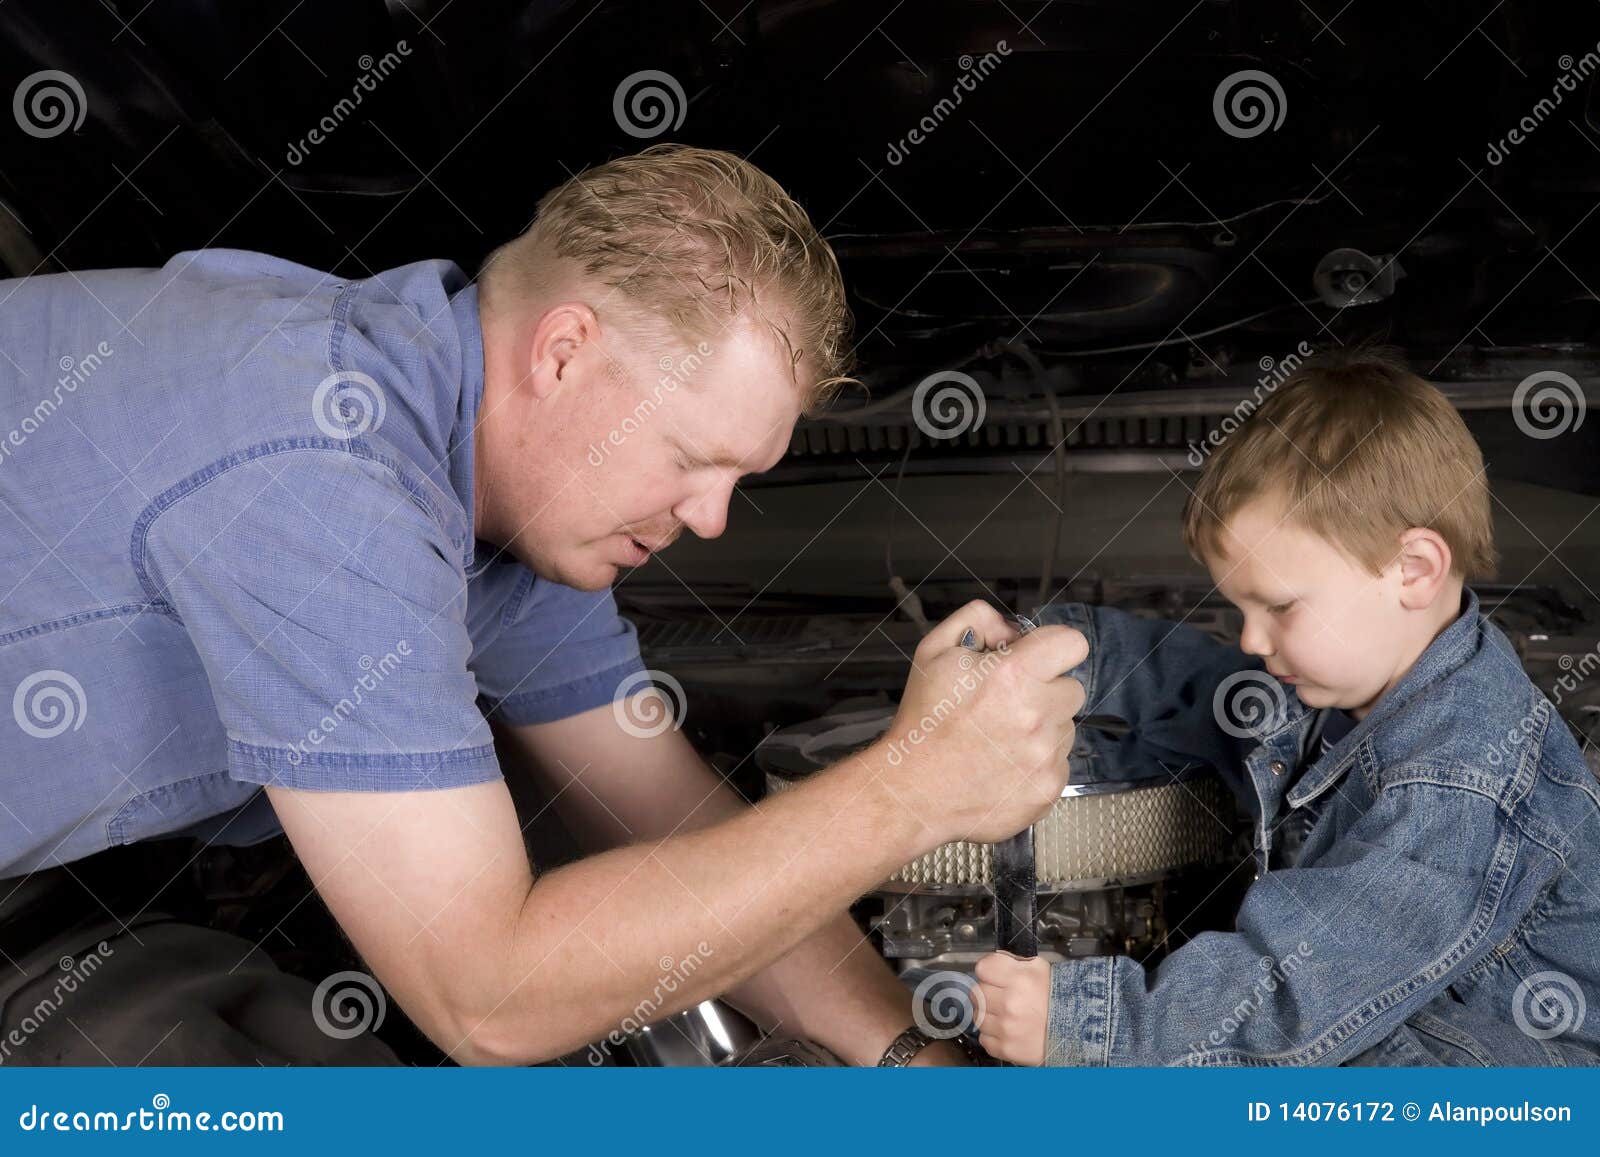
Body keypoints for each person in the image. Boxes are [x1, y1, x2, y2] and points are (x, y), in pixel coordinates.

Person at [0, 143, 1088, 1066]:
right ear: (564, 352)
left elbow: (669, 819)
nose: (709, 519)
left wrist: (910, 1067)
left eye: (738, 481)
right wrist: (909, 789)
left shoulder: (485, 485)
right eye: (690, 458)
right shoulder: (319, 466)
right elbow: (487, 996)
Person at [973, 348, 1600, 1067]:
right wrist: (1070, 650)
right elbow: (1210, 691)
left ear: (1414, 570)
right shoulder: (1368, 676)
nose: (1251, 636)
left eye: (1278, 606)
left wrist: (1100, 1025)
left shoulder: (1460, 779)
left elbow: (1304, 986)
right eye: (1240, 607)